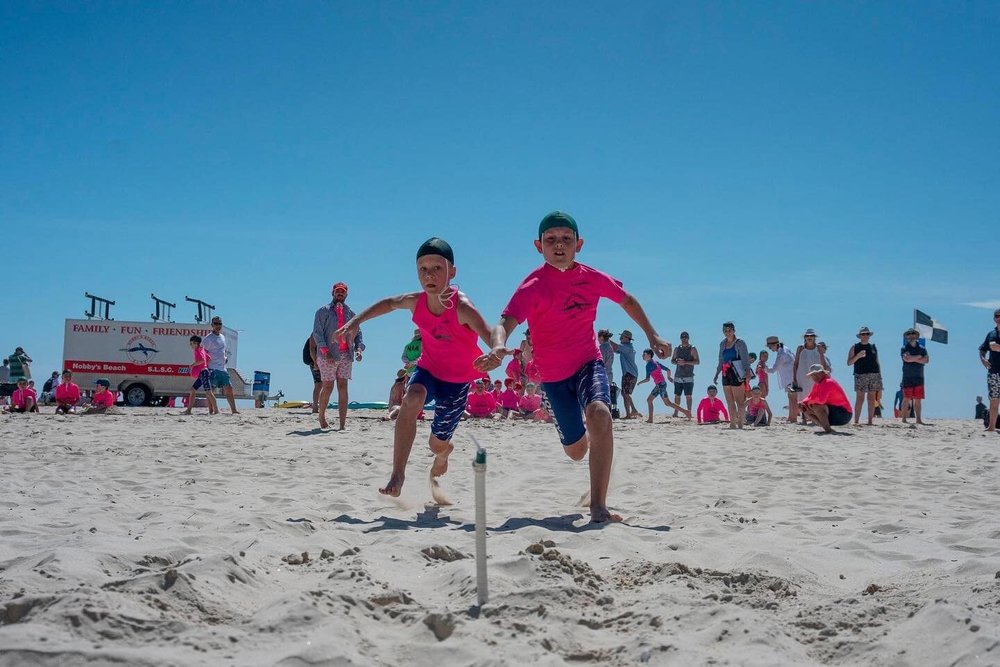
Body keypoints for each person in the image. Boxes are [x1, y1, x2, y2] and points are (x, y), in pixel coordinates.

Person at [479, 211, 671, 523]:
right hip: (553, 378)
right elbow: (505, 322)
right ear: (538, 245)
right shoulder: (532, 286)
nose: (559, 245)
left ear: (578, 244)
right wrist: (498, 346)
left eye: (566, 239)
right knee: (576, 451)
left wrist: (652, 333)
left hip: (588, 363)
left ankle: (598, 506)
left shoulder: (592, 278)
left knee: (600, 413)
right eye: (551, 239)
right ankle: (585, 442)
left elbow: (628, 302)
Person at [335, 237, 492, 497]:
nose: (429, 275)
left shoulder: (462, 307)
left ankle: (444, 454)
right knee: (412, 399)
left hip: (456, 381)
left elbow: (489, 332)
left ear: (452, 271)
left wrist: (496, 349)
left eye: (437, 268)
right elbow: (388, 303)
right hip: (428, 369)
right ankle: (397, 475)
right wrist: (355, 323)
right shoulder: (416, 301)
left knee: (437, 444)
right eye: (423, 269)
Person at [313, 282, 365, 430]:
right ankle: (321, 417)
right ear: (333, 293)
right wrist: (325, 351)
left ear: (346, 294)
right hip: (327, 354)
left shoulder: (351, 314)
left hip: (346, 354)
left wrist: (359, 349)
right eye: (337, 291)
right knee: (328, 386)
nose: (340, 294)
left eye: (342, 292)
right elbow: (317, 333)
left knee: (343, 386)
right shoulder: (322, 311)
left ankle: (342, 424)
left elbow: (358, 333)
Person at [713, 322, 752, 429]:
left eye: (729, 330)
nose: (727, 333)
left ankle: (740, 423)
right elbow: (721, 360)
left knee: (739, 401)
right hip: (726, 373)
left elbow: (745, 360)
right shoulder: (722, 344)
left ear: (734, 330)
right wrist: (717, 374)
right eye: (725, 331)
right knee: (730, 401)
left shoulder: (740, 343)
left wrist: (747, 373)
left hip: (737, 373)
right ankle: (732, 423)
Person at [638, 348, 690, 422]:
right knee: (667, 403)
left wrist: (640, 382)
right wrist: (669, 377)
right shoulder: (656, 362)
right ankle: (686, 411)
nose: (642, 356)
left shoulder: (649, 365)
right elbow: (668, 370)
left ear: (649, 355)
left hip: (660, 384)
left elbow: (647, 379)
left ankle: (650, 419)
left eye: (644, 354)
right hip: (663, 384)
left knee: (649, 400)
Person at [799, 364, 853, 434]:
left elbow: (821, 401)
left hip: (844, 414)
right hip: (833, 413)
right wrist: (802, 403)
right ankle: (825, 426)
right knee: (804, 408)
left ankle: (828, 429)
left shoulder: (828, 382)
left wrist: (809, 402)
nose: (815, 377)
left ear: (823, 373)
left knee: (817, 406)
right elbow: (810, 397)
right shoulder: (817, 384)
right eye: (813, 375)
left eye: (817, 374)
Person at [847, 326, 883, 426]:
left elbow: (877, 362)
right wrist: (857, 356)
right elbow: (849, 362)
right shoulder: (855, 347)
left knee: (872, 398)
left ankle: (870, 421)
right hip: (860, 374)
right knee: (860, 398)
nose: (865, 336)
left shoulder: (873, 347)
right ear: (860, 336)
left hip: (874, 374)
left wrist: (880, 376)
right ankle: (856, 421)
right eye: (863, 334)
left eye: (867, 334)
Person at [203, 316, 239, 414]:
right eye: (216, 324)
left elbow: (221, 351)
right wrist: (205, 367)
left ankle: (234, 410)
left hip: (222, 368)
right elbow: (204, 353)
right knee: (211, 390)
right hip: (212, 368)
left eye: (220, 324)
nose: (218, 326)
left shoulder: (222, 337)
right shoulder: (208, 339)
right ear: (212, 325)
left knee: (229, 388)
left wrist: (225, 358)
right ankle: (211, 410)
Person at [792, 329, 829, 422]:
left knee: (815, 395)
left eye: (811, 336)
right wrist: (794, 378)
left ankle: (814, 417)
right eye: (807, 336)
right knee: (803, 397)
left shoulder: (819, 348)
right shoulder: (800, 348)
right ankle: (804, 417)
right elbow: (796, 363)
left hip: (816, 376)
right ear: (805, 337)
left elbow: (823, 362)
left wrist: (824, 374)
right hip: (802, 375)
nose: (809, 338)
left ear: (814, 337)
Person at [181, 335, 219, 416]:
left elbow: (202, 360)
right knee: (193, 389)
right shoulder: (201, 349)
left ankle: (216, 411)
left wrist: (193, 365)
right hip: (203, 372)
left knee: (208, 392)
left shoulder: (198, 350)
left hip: (203, 373)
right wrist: (204, 366)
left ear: (196, 343)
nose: (190, 345)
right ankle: (189, 410)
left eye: (191, 343)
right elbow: (208, 358)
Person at [901, 328, 930, 425]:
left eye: (913, 333)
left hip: (919, 376)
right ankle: (904, 419)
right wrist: (918, 357)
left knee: (918, 399)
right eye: (909, 334)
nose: (911, 335)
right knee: (906, 399)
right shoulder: (904, 348)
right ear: (907, 337)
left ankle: (918, 420)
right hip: (907, 376)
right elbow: (906, 359)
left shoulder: (922, 348)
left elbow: (926, 360)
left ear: (916, 336)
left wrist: (914, 358)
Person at [765, 336, 797, 423]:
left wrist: (764, 368)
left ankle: (793, 418)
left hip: (790, 377)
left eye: (770, 347)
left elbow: (773, 369)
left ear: (774, 345)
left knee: (792, 397)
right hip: (793, 376)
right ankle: (791, 417)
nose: (770, 349)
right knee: (792, 397)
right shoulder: (786, 349)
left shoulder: (781, 354)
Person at [978, 309, 1000, 431]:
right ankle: (991, 427)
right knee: (994, 399)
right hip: (993, 372)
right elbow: (982, 349)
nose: (999, 318)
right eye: (997, 316)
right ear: (994, 318)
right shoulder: (991, 334)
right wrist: (983, 359)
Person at [614, 330, 642, 419]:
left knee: (625, 393)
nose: (620, 338)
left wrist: (606, 338)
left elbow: (615, 346)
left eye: (622, 337)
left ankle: (634, 409)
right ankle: (628, 414)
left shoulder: (626, 348)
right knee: (624, 393)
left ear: (627, 338)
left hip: (629, 373)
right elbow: (615, 349)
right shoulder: (626, 348)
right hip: (629, 373)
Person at [671, 331, 699, 417]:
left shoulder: (692, 348)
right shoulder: (677, 348)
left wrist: (685, 362)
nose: (684, 339)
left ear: (688, 338)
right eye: (682, 337)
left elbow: (697, 361)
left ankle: (689, 412)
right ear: (680, 338)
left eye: (686, 337)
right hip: (678, 375)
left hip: (688, 375)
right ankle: (676, 412)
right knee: (677, 395)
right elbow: (672, 361)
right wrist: (678, 362)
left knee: (688, 395)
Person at [303, 336, 321, 414]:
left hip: (316, 361)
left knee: (319, 384)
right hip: (314, 361)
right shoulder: (316, 333)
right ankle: (315, 407)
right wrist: (315, 362)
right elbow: (311, 349)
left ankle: (317, 406)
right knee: (319, 384)